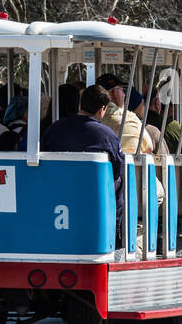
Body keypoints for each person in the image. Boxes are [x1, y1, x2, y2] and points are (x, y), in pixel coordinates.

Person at [42, 84, 125, 240]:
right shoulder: (106, 135)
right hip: (93, 196)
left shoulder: (54, 129)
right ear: (102, 109)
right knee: (120, 180)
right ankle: (116, 231)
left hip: (58, 193)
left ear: (80, 104)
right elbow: (117, 169)